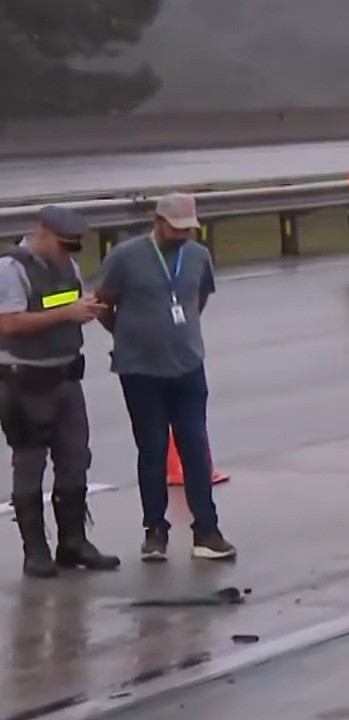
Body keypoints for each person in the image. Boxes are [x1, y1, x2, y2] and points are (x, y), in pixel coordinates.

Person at [93, 193, 235, 562]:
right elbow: (104, 304)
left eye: (189, 228)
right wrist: (130, 335)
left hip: (188, 365)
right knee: (152, 449)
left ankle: (207, 530)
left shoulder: (198, 256)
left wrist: (180, 332)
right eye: (177, 228)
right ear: (158, 222)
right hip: (140, 369)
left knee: (195, 446)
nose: (184, 235)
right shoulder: (125, 257)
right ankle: (154, 530)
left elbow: (199, 298)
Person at [0, 207, 119, 578]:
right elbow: (9, 322)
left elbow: (65, 303)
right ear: (44, 233)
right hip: (25, 380)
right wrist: (67, 314)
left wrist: (89, 309)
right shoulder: (12, 268)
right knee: (30, 462)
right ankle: (35, 550)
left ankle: (73, 541)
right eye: (64, 245)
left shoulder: (68, 267)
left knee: (74, 458)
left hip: (66, 376)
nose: (69, 253)